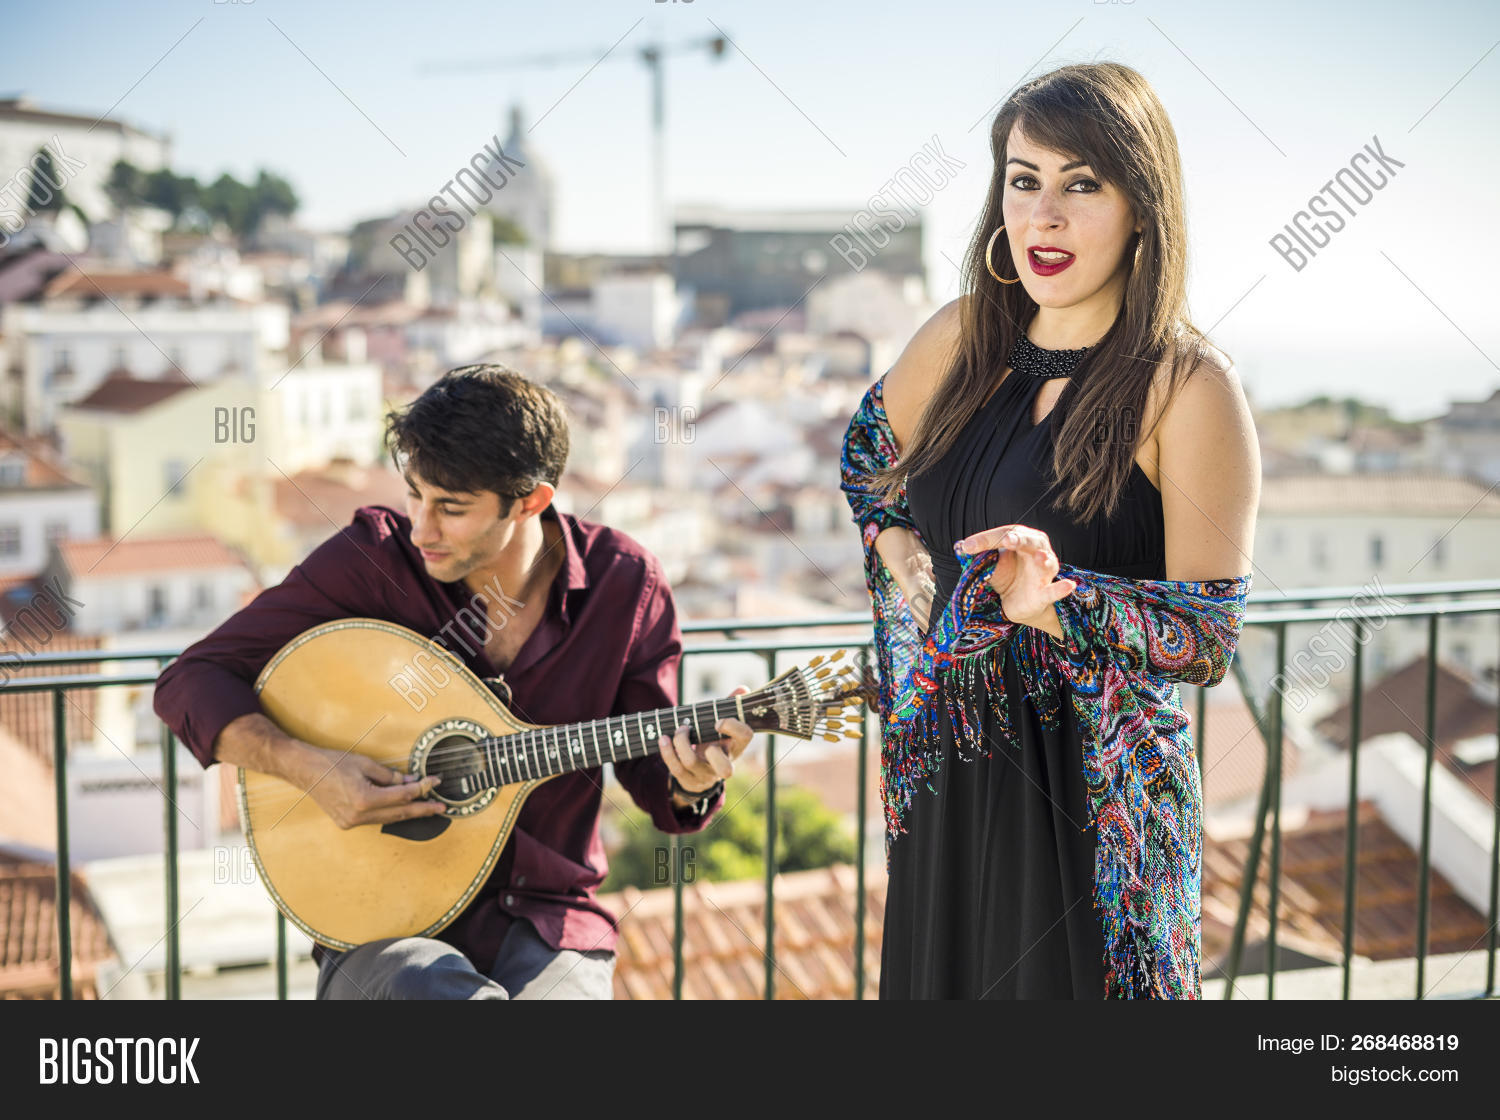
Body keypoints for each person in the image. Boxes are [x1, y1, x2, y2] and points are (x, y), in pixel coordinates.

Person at [840, 62, 1259, 999]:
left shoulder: (1187, 389)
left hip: (1093, 807)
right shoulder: (959, 340)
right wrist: (906, 574)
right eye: (1024, 181)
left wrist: (1055, 603)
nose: (1044, 217)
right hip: (946, 781)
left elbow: (1206, 637)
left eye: (1083, 185)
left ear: (1142, 208)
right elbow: (867, 460)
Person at [153, 364, 755, 999]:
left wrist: (692, 782)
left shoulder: (625, 586)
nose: (422, 528)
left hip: (548, 919)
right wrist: (309, 768)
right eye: (415, 494)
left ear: (532, 501)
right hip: (382, 927)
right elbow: (189, 681)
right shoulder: (372, 564)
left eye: (452, 508)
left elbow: (660, 790)